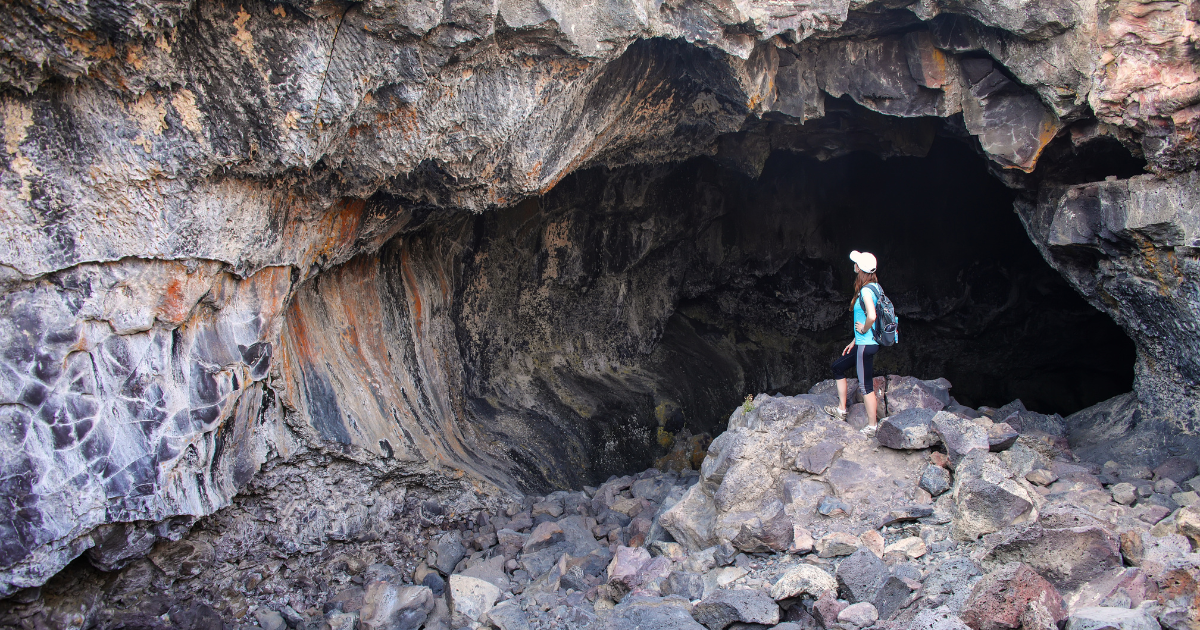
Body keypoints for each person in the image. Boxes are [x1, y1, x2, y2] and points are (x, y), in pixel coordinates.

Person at [824, 250, 883, 436]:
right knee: (837, 367)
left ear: (861, 269)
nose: (854, 265)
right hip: (862, 343)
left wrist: (863, 331)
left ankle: (872, 427)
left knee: (865, 386)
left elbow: (872, 317)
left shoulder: (866, 291)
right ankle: (841, 410)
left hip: (866, 344)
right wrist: (855, 340)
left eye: (856, 263)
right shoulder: (875, 287)